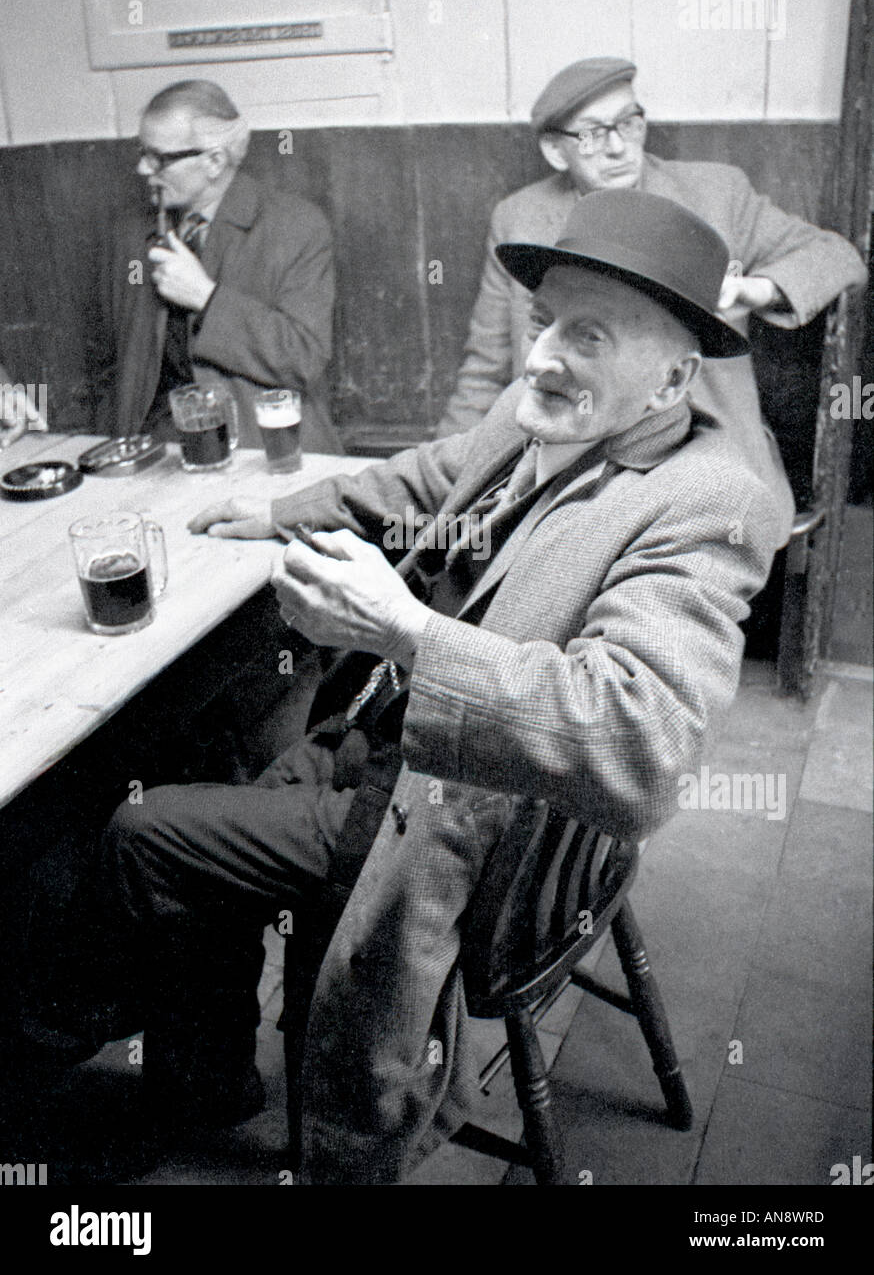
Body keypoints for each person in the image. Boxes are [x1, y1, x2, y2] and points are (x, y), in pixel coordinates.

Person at [11, 192, 793, 1185]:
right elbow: (431, 479)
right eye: (541, 320)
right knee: (212, 751)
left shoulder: (711, 502)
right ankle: (204, 1072)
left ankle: (48, 1040)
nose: (540, 355)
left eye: (586, 334)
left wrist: (407, 631)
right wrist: (273, 508)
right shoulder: (542, 407)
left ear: (675, 376)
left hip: (461, 814)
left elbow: (639, 742)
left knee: (142, 833)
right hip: (382, 729)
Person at [436, 56, 867, 465]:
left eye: (628, 121)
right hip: (569, 457)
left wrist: (756, 289)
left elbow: (837, 257)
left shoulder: (716, 193)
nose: (619, 147)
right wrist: (451, 480)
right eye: (591, 133)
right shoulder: (521, 218)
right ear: (554, 149)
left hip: (703, 455)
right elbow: (485, 370)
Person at [111, 80, 341, 452]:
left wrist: (206, 297)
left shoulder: (296, 226)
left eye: (158, 158)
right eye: (142, 152)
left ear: (214, 161)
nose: (142, 168)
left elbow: (303, 358)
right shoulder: (131, 232)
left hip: (260, 445)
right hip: (157, 448)